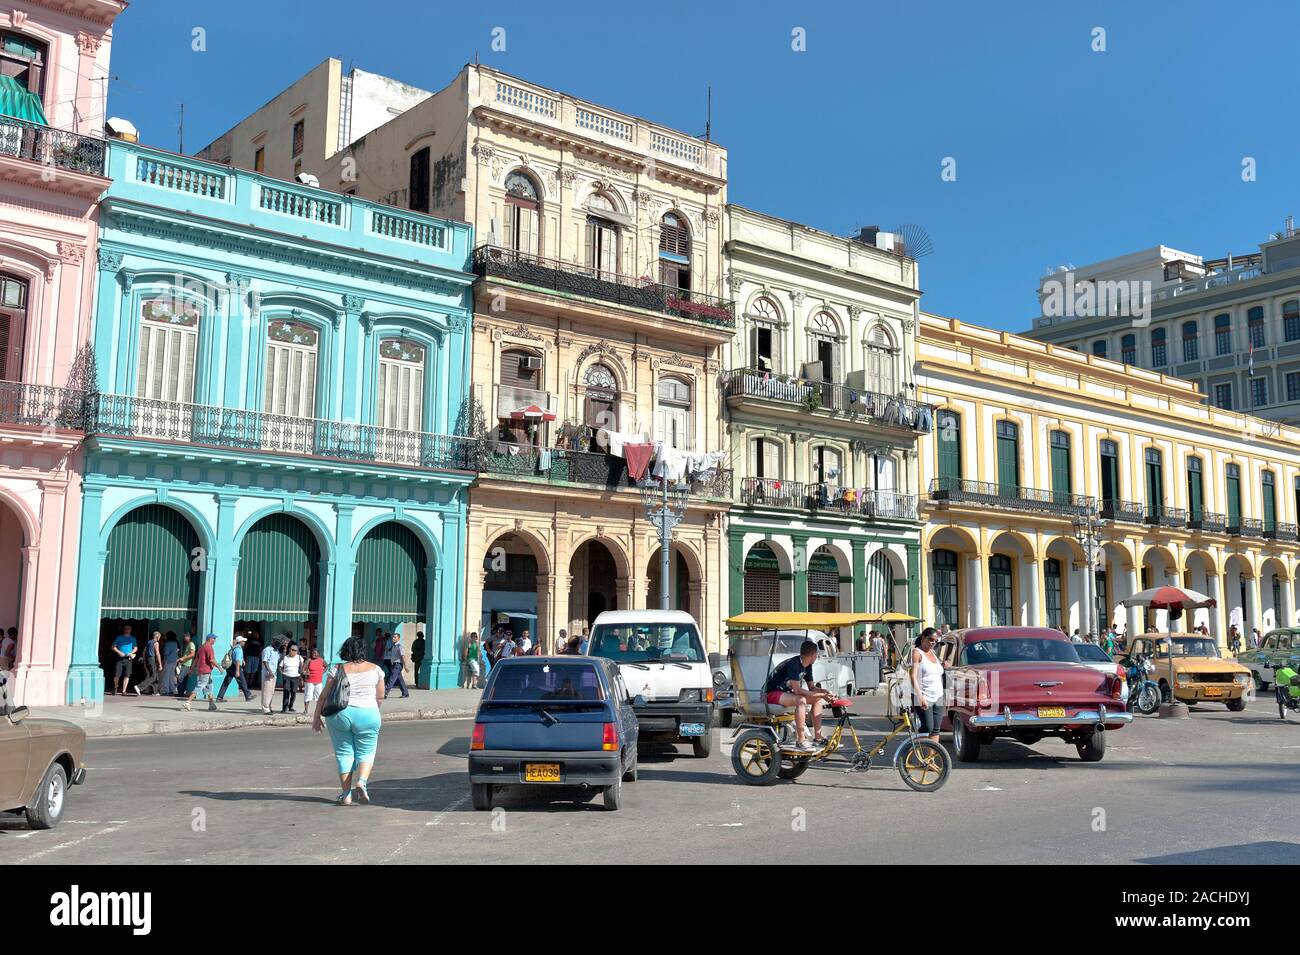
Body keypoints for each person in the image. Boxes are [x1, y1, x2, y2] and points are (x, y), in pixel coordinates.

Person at [312, 634, 386, 806]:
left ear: (345, 650)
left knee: (344, 753)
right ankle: (362, 782)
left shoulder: (337, 668)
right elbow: (380, 696)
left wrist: (316, 717)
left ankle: (346, 794)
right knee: (366, 751)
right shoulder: (376, 669)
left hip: (340, 714)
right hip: (368, 712)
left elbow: (324, 696)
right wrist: (373, 710)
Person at [763, 639, 832, 751]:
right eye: (816, 655)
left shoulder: (808, 665)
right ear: (812, 655)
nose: (817, 657)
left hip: (784, 693)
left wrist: (824, 692)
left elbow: (811, 687)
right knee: (801, 700)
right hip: (771, 693)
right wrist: (819, 694)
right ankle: (800, 739)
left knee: (817, 700)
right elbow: (797, 690)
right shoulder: (794, 664)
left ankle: (818, 737)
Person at [910, 628, 945, 745]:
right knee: (927, 728)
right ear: (923, 638)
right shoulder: (917, 652)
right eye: (931, 640)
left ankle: (931, 760)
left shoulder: (934, 653)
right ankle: (910, 748)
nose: (933, 642)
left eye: (936, 640)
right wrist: (920, 697)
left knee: (935, 730)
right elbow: (913, 676)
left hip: (938, 695)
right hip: (923, 696)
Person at [183, 633, 220, 711]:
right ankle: (188, 702)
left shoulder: (202, 647)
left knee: (210, 687)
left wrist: (191, 669)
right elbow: (212, 660)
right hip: (205, 670)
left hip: (202, 670)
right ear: (210, 639)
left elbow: (196, 659)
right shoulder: (209, 647)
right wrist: (219, 667)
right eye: (214, 639)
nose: (215, 640)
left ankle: (211, 704)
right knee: (200, 686)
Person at [218, 634, 252, 702]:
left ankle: (220, 697)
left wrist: (243, 660)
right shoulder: (239, 649)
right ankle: (248, 695)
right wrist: (237, 671)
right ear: (240, 642)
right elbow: (237, 660)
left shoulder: (234, 648)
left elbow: (237, 658)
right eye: (243, 641)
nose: (244, 642)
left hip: (230, 667)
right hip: (235, 667)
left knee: (226, 682)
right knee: (242, 682)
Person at [110, 624, 138, 696]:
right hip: (120, 658)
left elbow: (135, 648)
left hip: (128, 658)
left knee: (127, 675)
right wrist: (119, 652)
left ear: (131, 630)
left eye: (128, 629)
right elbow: (113, 647)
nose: (127, 630)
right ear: (124, 629)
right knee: (117, 674)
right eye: (126, 628)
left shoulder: (133, 638)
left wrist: (131, 652)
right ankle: (116, 687)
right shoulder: (119, 637)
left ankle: (124, 691)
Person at [135, 631, 164, 696]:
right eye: (159, 637)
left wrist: (145, 662)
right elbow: (157, 653)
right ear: (157, 636)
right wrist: (160, 664)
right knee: (153, 676)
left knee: (154, 675)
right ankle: (139, 687)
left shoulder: (149, 642)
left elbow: (143, 652)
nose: (159, 638)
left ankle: (155, 691)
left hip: (148, 659)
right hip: (151, 659)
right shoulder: (156, 643)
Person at [383, 631, 410, 699]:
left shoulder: (400, 646)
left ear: (398, 638)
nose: (393, 638)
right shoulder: (393, 646)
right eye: (393, 637)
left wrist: (406, 666)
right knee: (400, 680)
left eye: (395, 637)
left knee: (391, 679)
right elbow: (390, 652)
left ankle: (384, 693)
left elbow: (403, 656)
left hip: (398, 665)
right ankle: (405, 693)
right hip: (394, 664)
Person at [259, 637, 282, 715]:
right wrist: (270, 671)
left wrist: (285, 649)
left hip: (274, 674)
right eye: (277, 642)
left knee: (271, 691)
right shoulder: (267, 650)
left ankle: (269, 706)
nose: (278, 644)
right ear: (272, 642)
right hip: (267, 674)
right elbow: (265, 661)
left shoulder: (276, 651)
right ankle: (265, 708)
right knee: (266, 691)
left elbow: (280, 659)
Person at [280, 641, 304, 713]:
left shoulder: (299, 657)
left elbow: (302, 665)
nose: (291, 651)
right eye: (290, 649)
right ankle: (284, 707)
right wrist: (282, 673)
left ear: (297, 651)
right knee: (286, 691)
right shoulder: (285, 657)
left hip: (296, 677)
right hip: (287, 677)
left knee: (293, 692)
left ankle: (291, 706)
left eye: (293, 650)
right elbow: (280, 666)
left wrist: (301, 673)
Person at [302, 647, 326, 715]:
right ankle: (306, 710)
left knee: (318, 696)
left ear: (318, 654)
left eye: (315, 653)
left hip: (318, 681)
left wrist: (322, 672)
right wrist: (305, 672)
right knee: (308, 695)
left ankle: (319, 711)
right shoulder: (309, 660)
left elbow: (326, 666)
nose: (314, 654)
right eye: (312, 653)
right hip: (309, 681)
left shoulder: (321, 660)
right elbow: (303, 668)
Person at [160, 632, 179, 696]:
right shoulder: (175, 643)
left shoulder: (168, 643)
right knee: (171, 676)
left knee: (166, 676)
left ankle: (166, 689)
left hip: (168, 661)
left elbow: (166, 653)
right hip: (174, 660)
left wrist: (162, 661)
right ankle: (172, 689)